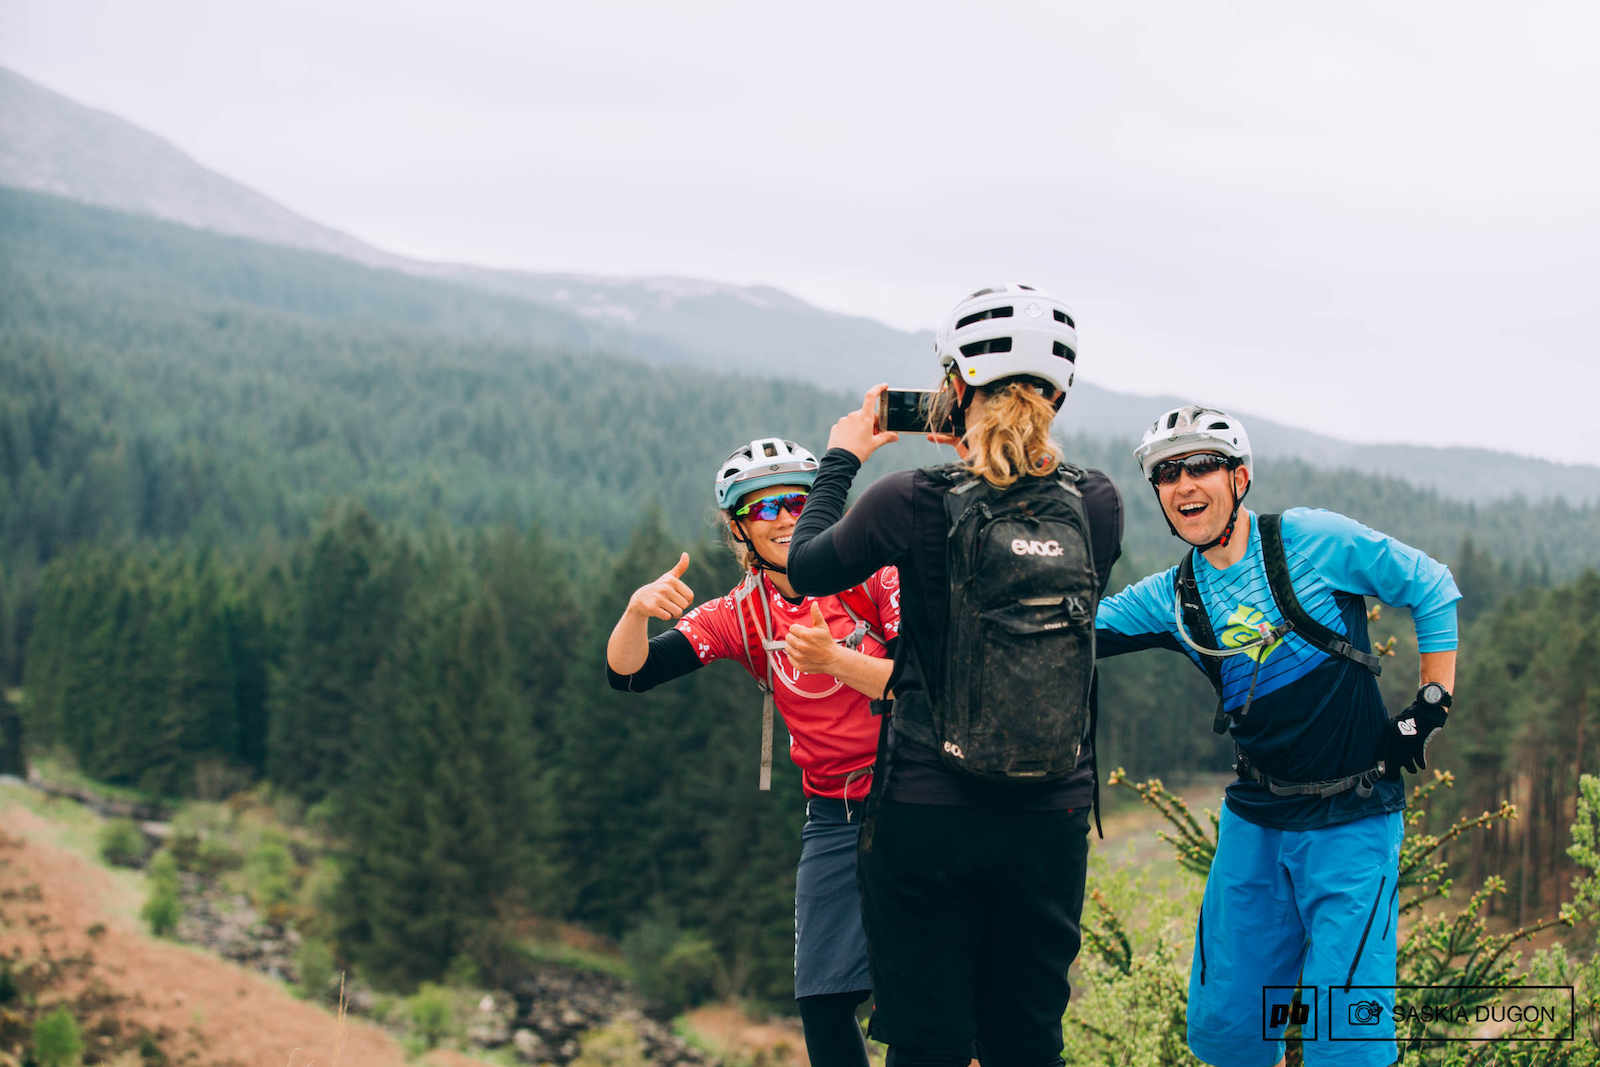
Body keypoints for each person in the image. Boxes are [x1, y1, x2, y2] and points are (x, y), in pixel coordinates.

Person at [787, 284, 1124, 1067]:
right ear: (1058, 392)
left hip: (927, 806)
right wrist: (986, 455)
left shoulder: (913, 498)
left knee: (929, 1038)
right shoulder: (1097, 503)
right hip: (1052, 815)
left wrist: (844, 455)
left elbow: (805, 569)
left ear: (955, 384)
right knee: (1027, 1033)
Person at [1094, 405, 1461, 1067]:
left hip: (1352, 820)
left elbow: (1431, 584)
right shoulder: (1172, 596)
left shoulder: (1309, 541)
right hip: (1256, 822)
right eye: (1167, 474)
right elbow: (1071, 630)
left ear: (1240, 476)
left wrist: (1429, 705)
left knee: (1343, 1037)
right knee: (1229, 1025)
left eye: (1201, 465)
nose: (1183, 485)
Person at [605, 436, 901, 1067]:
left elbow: (924, 680)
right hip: (833, 812)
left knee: (912, 992)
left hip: (915, 792)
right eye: (765, 509)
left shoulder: (874, 576)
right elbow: (631, 674)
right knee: (823, 997)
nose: (787, 518)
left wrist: (835, 660)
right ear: (739, 529)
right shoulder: (743, 614)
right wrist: (635, 613)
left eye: (798, 501)